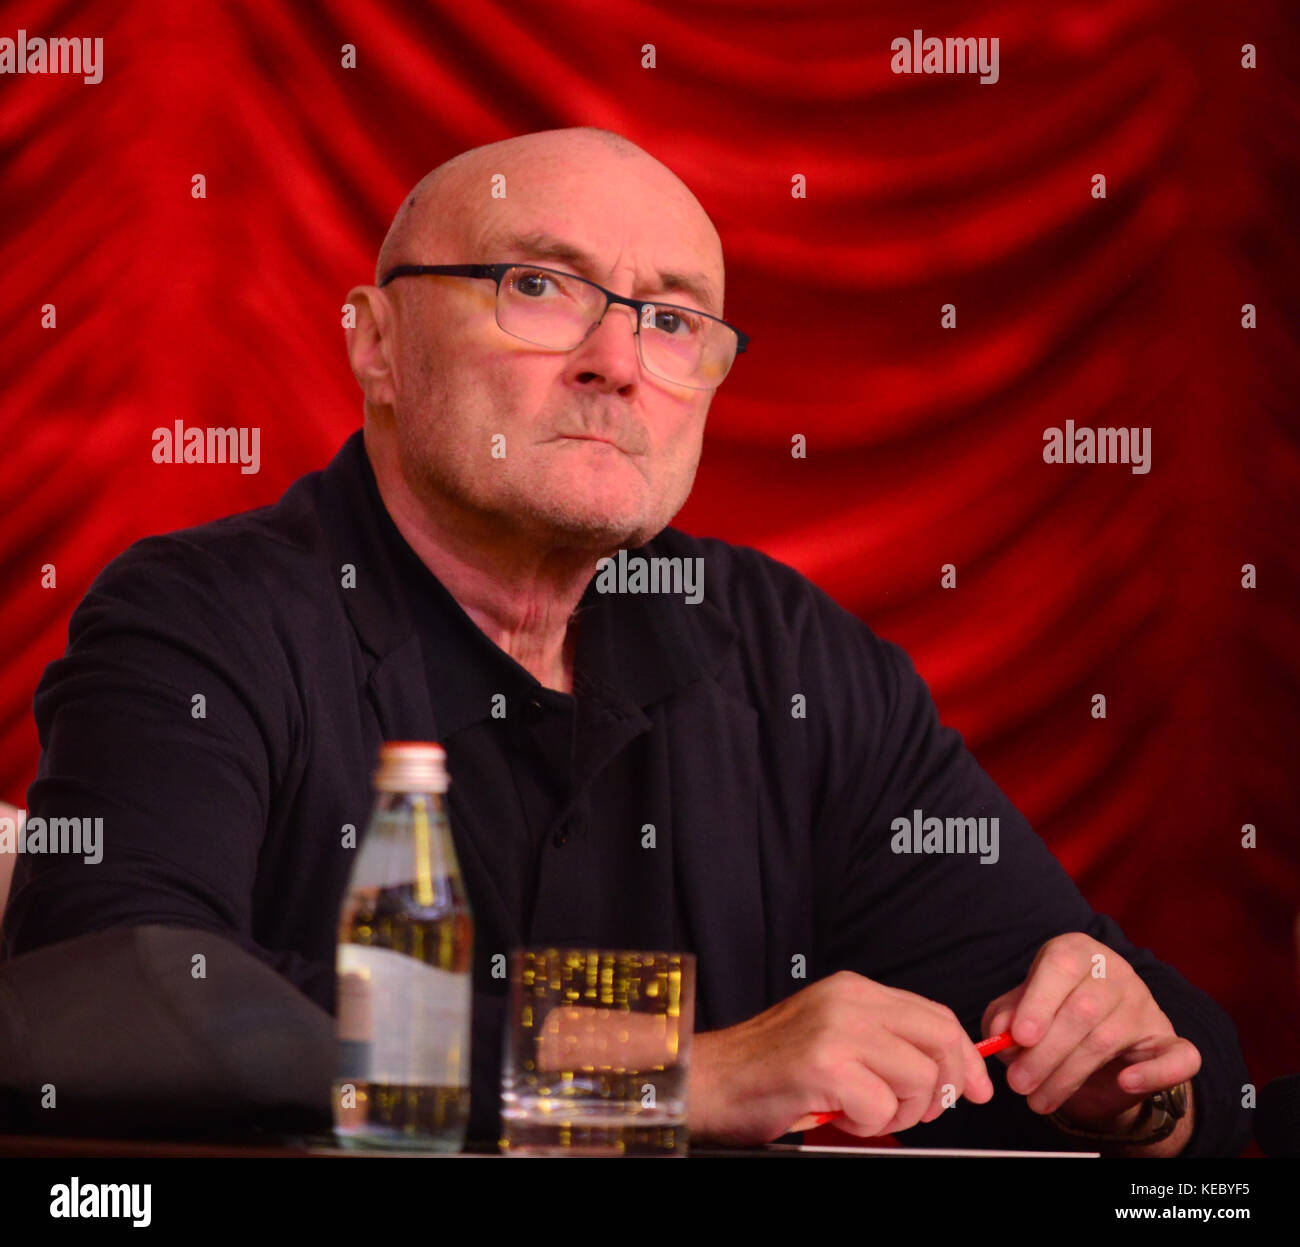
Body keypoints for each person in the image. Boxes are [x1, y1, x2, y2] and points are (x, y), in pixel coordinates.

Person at [2, 127, 1250, 1154]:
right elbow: (117, 998)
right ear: (376, 343)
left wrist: (1122, 1089)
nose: (617, 363)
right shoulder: (201, 616)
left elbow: (1141, 1030)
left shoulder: (792, 657)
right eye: (536, 288)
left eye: (672, 318)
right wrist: (665, 1075)